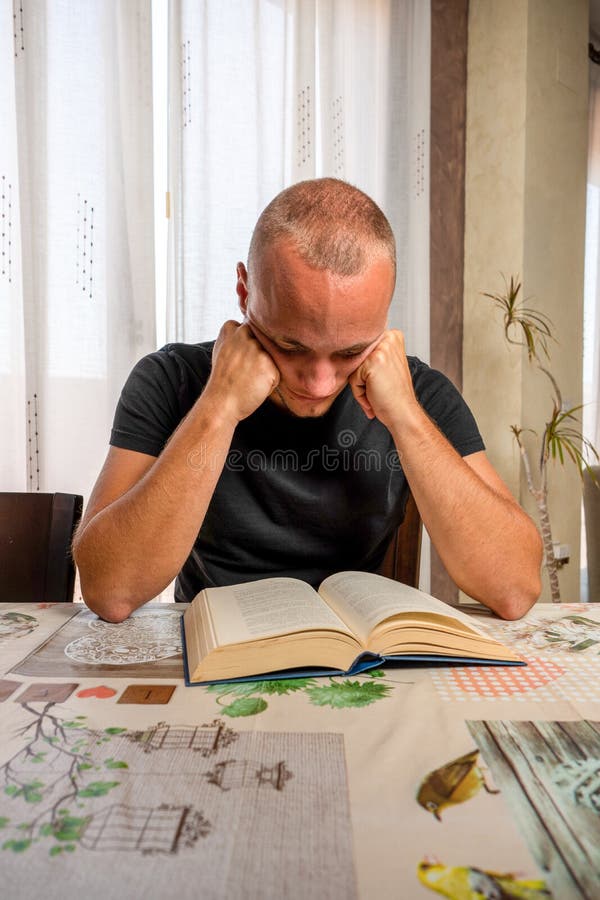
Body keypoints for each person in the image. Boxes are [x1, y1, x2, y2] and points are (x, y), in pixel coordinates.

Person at [73, 178, 542, 623]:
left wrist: (405, 416)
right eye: (291, 347)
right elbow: (109, 591)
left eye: (350, 352)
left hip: (359, 660)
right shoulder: (171, 379)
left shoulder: (418, 393)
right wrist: (218, 405)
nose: (319, 383)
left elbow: (514, 589)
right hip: (214, 650)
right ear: (244, 290)